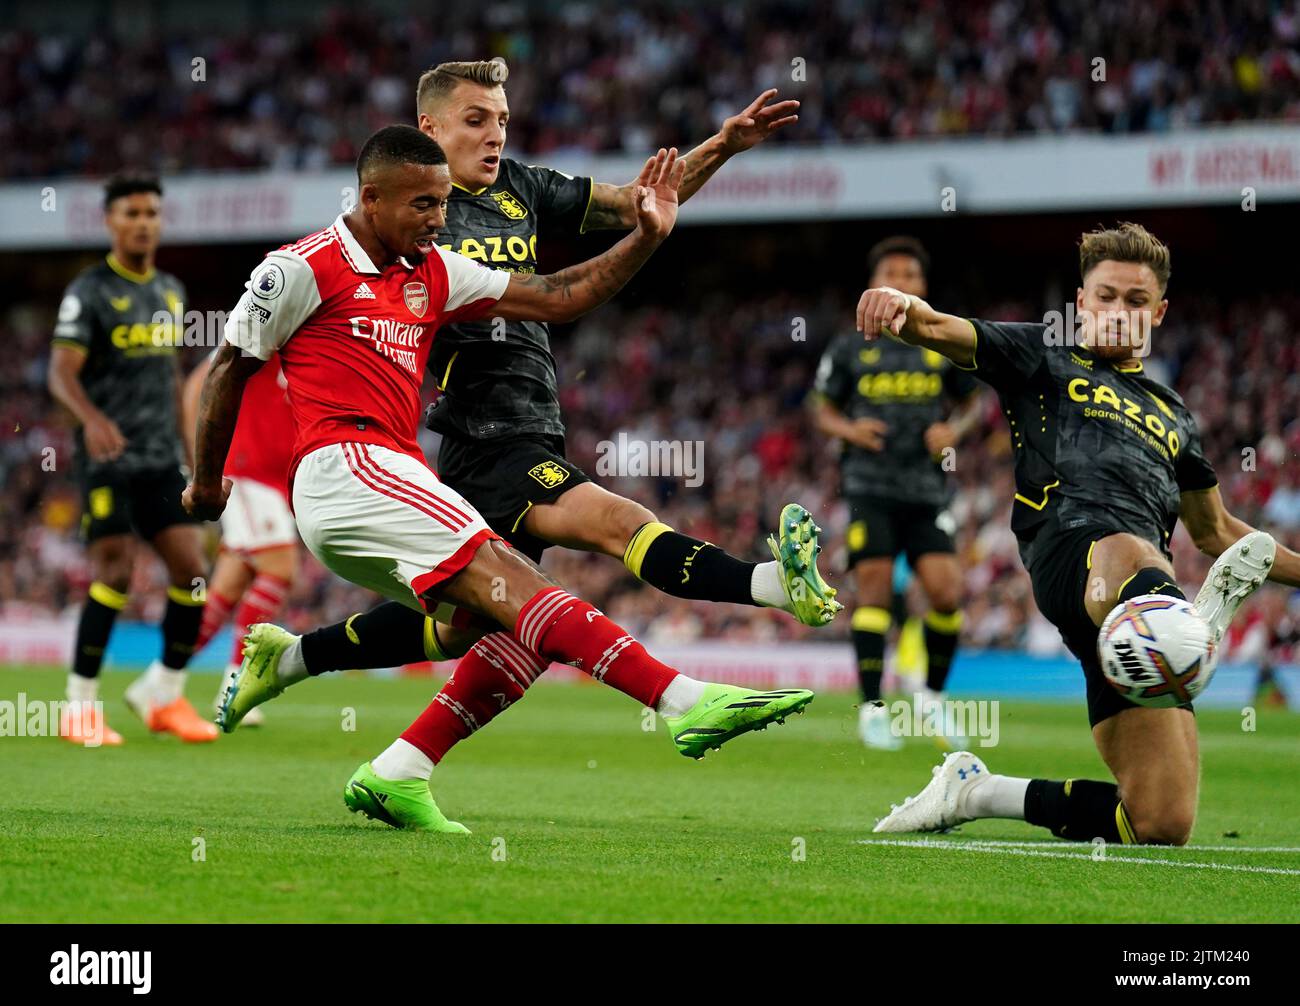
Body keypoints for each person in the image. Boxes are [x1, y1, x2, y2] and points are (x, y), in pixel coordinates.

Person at [187, 126, 813, 831]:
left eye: (444, 203)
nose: (438, 219)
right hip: (347, 465)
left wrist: (645, 238)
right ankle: (683, 701)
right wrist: (207, 486)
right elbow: (228, 368)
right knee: (523, 584)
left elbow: (558, 295)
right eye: (423, 205)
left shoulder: (434, 271)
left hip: (392, 469)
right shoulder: (301, 267)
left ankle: (360, 730)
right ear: (371, 197)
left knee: (495, 625)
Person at [281, 59, 837, 688]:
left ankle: (318, 684)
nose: (496, 135)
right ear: (427, 127)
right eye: (476, 120)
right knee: (615, 522)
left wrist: (724, 146)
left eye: (503, 121)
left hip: (535, 422)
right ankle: (768, 584)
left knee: (478, 630)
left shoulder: (522, 185)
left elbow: (638, 202)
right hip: (483, 435)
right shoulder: (415, 221)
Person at [865, 222, 1298, 845]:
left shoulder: (1176, 416)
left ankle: (974, 791)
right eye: (1106, 296)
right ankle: (1190, 631)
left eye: (1136, 301)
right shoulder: (1042, 358)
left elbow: (1221, 533)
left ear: (1159, 312)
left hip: (1139, 613)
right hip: (1075, 555)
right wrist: (902, 308)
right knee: (1130, 550)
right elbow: (940, 330)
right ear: (1080, 303)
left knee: (1160, 822)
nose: (1119, 312)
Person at [48, 172, 217, 746]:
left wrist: (192, 454)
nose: (143, 222)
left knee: (194, 574)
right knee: (116, 572)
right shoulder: (88, 291)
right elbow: (60, 373)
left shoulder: (169, 290)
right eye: (131, 213)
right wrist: (92, 420)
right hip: (108, 459)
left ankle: (162, 696)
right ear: (110, 222)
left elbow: (170, 377)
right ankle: (78, 708)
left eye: (151, 213)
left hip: (159, 458)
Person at [810, 236, 981, 750]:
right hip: (870, 486)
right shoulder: (848, 346)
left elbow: (973, 403)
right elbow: (820, 407)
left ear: (923, 286)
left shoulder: (941, 341)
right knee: (875, 594)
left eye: (910, 275)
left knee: (948, 593)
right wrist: (849, 431)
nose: (900, 283)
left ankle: (930, 697)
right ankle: (872, 709)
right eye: (891, 274)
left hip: (928, 488)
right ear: (873, 284)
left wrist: (954, 431)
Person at [182, 350, 298, 727]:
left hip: (273, 484)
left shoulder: (305, 334)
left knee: (227, 589)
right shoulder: (268, 318)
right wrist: (203, 467)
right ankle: (234, 683)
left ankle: (160, 681)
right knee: (280, 569)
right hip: (246, 475)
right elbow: (201, 382)